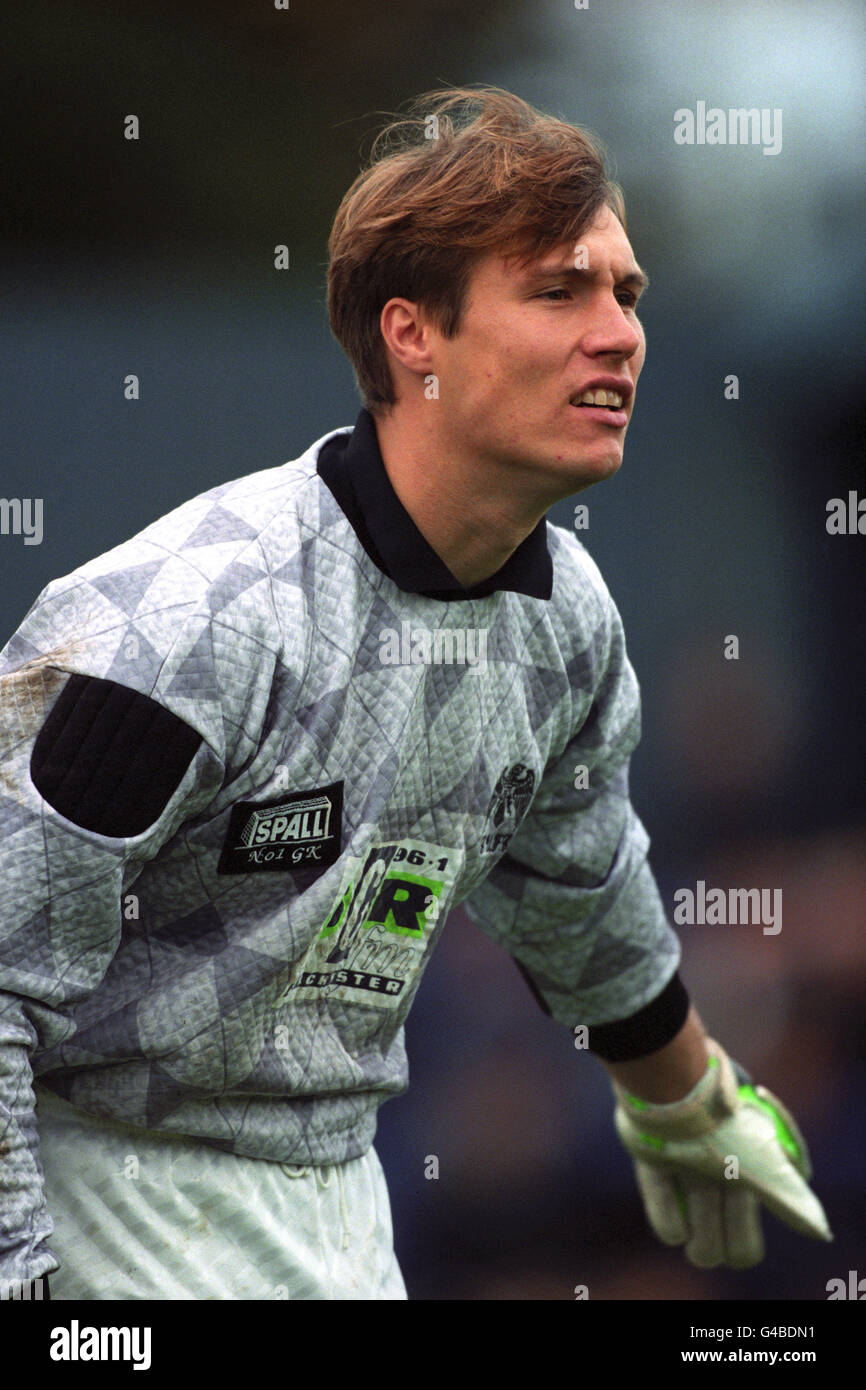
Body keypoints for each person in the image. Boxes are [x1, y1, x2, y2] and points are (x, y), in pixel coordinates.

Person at [0, 85, 831, 1302]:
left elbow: (580, 902)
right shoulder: (187, 624)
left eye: (627, 293)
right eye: (559, 290)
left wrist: (683, 1098)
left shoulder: (568, 622)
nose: (618, 333)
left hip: (342, 1202)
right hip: (95, 1206)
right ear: (412, 335)